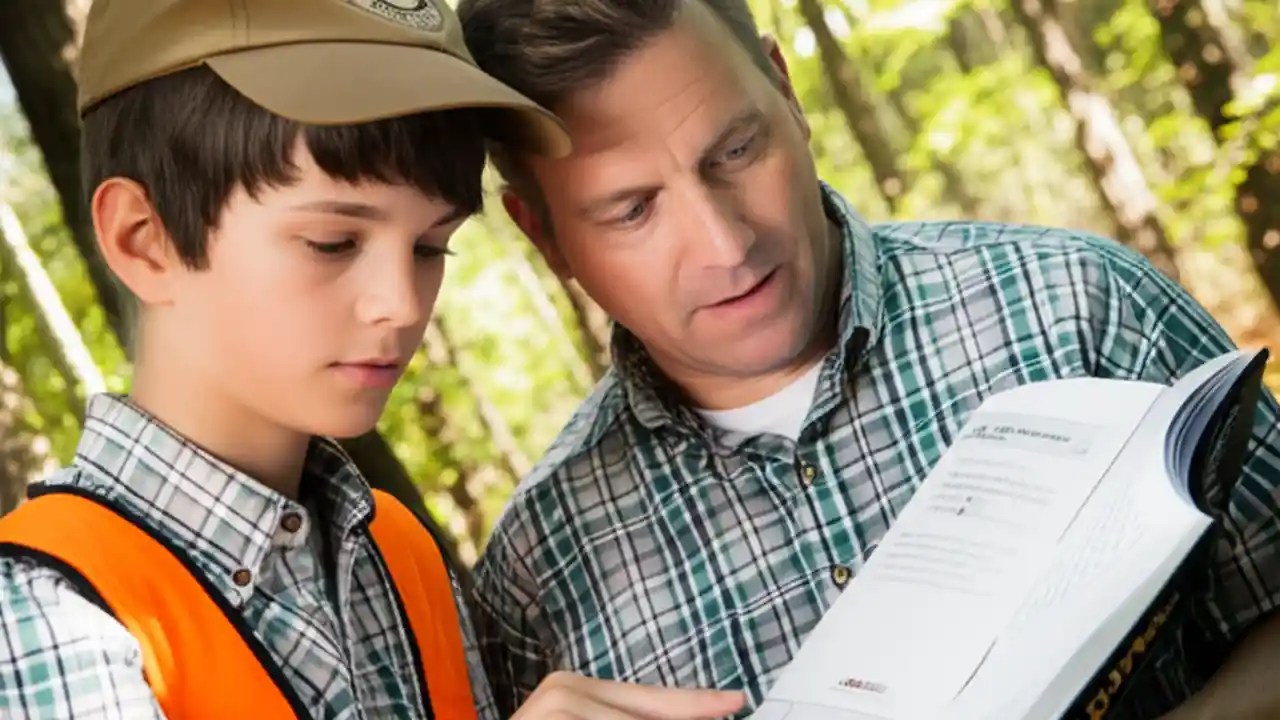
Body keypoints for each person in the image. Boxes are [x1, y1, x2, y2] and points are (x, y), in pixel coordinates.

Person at [454, 0, 1280, 718]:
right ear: (544, 236)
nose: (725, 243)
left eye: (736, 151)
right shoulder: (536, 576)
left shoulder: (1080, 305)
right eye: (633, 210)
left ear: (784, 87)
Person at [0, 1, 750, 719]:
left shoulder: (399, 559)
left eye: (430, 247)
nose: (403, 302)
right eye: (332, 242)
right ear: (143, 238)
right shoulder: (46, 617)